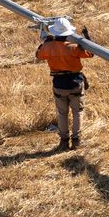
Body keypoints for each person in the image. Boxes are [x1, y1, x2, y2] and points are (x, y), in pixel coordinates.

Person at [35, 17, 93, 149]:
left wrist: (45, 42)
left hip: (59, 84)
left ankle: (64, 141)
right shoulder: (73, 47)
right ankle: (76, 141)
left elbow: (38, 55)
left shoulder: (48, 47)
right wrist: (87, 38)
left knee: (62, 113)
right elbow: (90, 53)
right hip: (75, 82)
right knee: (77, 112)